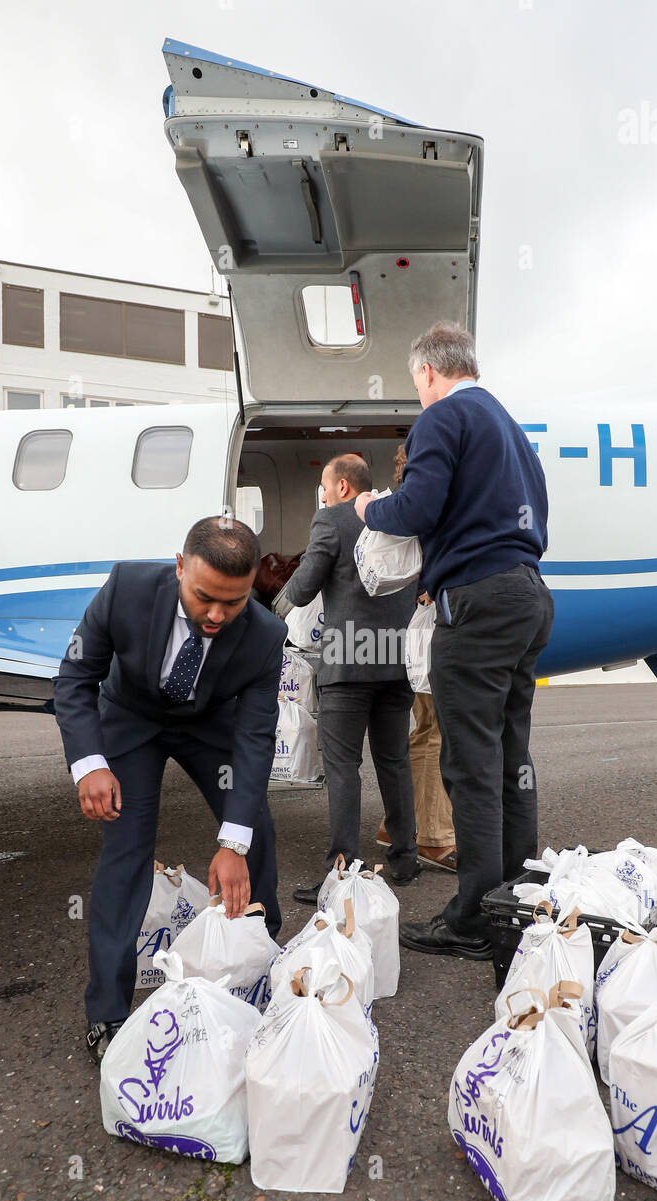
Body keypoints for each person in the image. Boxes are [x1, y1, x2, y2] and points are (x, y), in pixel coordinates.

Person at [53, 517, 286, 1061]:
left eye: (233, 603)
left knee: (257, 831)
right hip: (131, 719)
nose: (216, 615)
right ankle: (107, 1014)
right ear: (179, 567)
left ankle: (258, 962)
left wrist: (232, 846)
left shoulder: (265, 634)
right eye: (205, 597)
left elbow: (255, 739)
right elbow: (74, 679)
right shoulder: (126, 589)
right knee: (127, 853)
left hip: (207, 726)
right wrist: (89, 765)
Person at [355, 321, 554, 960]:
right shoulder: (510, 428)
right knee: (509, 754)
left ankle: (473, 919)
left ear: (428, 373)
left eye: (417, 384)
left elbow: (416, 508)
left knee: (468, 764)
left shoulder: (442, 417)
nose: (418, 394)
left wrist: (366, 509)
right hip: (528, 596)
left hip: (477, 602)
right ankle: (520, 896)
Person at [274, 453, 420, 903]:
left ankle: (343, 869)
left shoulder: (333, 520)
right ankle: (405, 858)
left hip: (347, 664)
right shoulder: (400, 518)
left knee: (343, 768)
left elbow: (302, 589)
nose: (321, 493)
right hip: (396, 659)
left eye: (323, 484)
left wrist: (273, 605)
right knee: (393, 760)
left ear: (342, 487)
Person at [376, 444, 457, 872]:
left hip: (406, 628)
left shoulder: (398, 503)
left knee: (424, 728)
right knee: (438, 730)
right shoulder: (428, 502)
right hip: (429, 626)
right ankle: (435, 836)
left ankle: (397, 823)